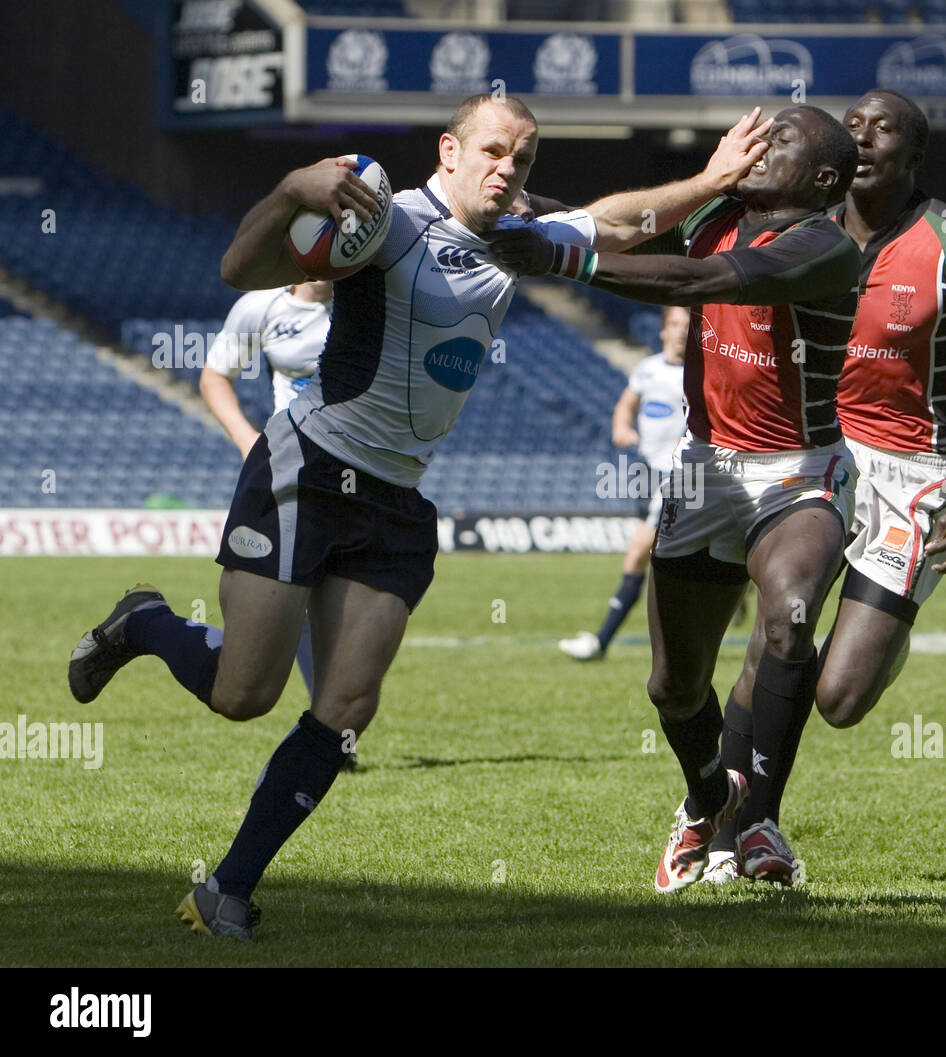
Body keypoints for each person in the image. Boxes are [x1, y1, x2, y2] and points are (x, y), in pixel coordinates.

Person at [67, 93, 770, 938]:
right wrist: (294, 187)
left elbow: (616, 224)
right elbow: (238, 269)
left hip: (396, 500)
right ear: (450, 149)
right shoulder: (383, 220)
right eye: (494, 150)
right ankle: (144, 621)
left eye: (524, 159)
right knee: (244, 692)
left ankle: (227, 889)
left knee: (348, 703)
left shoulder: (519, 237)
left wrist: (714, 178)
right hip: (306, 470)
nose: (507, 168)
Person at [491, 104, 861, 890]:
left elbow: (699, 281)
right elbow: (612, 226)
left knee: (790, 617)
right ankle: (706, 797)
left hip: (799, 470)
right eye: (755, 132)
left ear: (824, 177)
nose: (758, 143)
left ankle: (758, 815)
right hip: (703, 469)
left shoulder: (825, 244)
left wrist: (557, 260)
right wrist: (531, 210)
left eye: (780, 139)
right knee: (672, 685)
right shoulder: (717, 207)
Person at [698, 89, 946, 883]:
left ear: (914, 155)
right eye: (851, 126)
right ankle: (742, 830)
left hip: (914, 474)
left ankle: (889, 630)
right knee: (777, 633)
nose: (863, 136)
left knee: (842, 696)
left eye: (883, 129)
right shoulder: (796, 225)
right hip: (817, 455)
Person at [200, 280, 332, 704]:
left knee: (349, 599)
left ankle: (331, 722)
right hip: (291, 469)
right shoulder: (261, 306)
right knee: (293, 605)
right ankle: (329, 722)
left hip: (361, 470)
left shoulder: (372, 297)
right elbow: (215, 375)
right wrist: (248, 441)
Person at [559, 305, 688, 661]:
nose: (679, 331)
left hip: (682, 479)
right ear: (663, 331)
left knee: (637, 554)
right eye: (674, 324)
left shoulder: (698, 373)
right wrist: (622, 426)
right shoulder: (648, 369)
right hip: (646, 473)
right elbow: (625, 405)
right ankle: (734, 597)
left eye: (686, 325)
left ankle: (600, 642)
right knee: (676, 555)